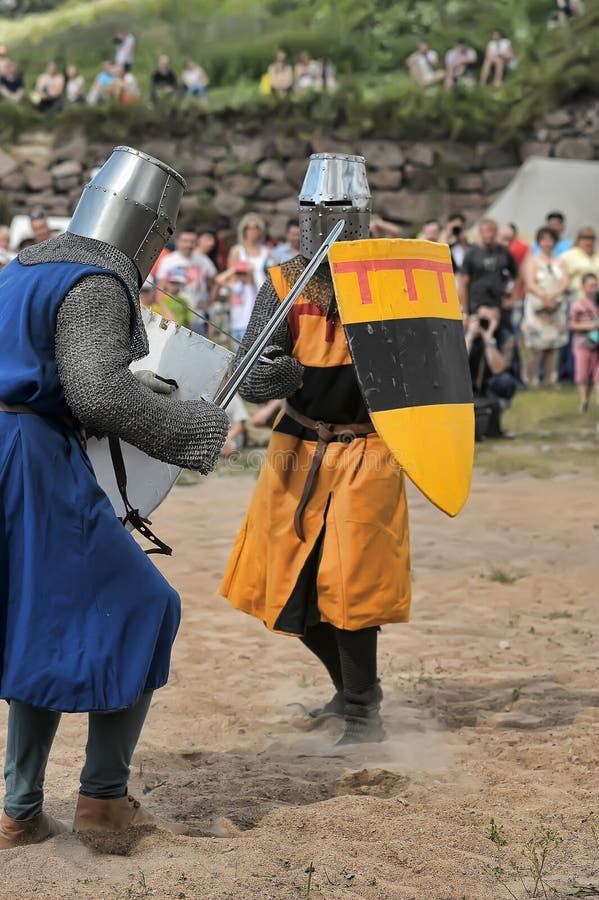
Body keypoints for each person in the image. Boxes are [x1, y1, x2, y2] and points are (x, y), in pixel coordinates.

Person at [0, 146, 229, 851]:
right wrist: (192, 426)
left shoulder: (23, 266)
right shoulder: (98, 278)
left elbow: (63, 377)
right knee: (144, 605)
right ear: (152, 231)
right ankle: (101, 801)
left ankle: (18, 809)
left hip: (12, 446)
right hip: (33, 463)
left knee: (39, 619)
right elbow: (97, 389)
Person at [221, 153, 411, 745]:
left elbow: (421, 374)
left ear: (362, 217)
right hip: (297, 448)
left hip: (369, 450)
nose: (326, 224)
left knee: (352, 587)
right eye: (316, 214)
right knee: (285, 582)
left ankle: (363, 715)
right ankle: (354, 690)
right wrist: (279, 371)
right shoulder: (283, 284)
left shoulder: (391, 285)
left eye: (338, 213)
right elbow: (252, 380)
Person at [521, 227, 569, 387]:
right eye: (544, 239)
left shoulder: (560, 261)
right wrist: (544, 296)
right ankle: (530, 378)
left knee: (552, 347)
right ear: (539, 242)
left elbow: (564, 282)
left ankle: (548, 380)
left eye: (550, 239)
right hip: (537, 306)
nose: (547, 243)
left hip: (555, 307)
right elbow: (530, 283)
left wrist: (554, 295)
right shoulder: (533, 261)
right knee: (536, 347)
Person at [465, 305, 517, 439]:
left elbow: (498, 368)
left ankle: (494, 423)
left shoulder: (505, 336)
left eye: (490, 319)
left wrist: (488, 340)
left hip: (489, 385)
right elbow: (457, 363)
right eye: (482, 318)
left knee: (505, 381)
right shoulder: (464, 332)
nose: (485, 322)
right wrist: (470, 336)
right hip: (466, 382)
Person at [156, 229, 216, 334]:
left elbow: (215, 282)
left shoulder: (203, 260)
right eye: (185, 241)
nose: (188, 245)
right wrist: (165, 312)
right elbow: (159, 289)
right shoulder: (168, 261)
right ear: (178, 241)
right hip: (175, 315)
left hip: (198, 318)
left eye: (192, 242)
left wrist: (209, 303)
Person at [459, 219, 518, 316]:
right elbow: (463, 282)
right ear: (480, 233)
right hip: (476, 304)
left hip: (498, 304)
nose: (489, 235)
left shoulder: (503, 251)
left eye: (492, 232)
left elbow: (517, 274)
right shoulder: (472, 252)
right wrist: (465, 311)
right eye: (486, 232)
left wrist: (513, 297)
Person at [569, 273, 599, 412]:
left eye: (595, 285)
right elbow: (572, 324)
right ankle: (583, 401)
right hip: (582, 344)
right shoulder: (577, 305)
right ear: (583, 287)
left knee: (597, 374)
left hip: (597, 345)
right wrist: (589, 327)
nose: (594, 288)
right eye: (591, 285)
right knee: (582, 374)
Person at [227, 211, 269, 293]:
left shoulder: (266, 251)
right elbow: (232, 277)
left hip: (263, 294)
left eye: (256, 228)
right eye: (248, 228)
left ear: (260, 230)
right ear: (244, 231)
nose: (252, 231)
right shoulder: (236, 251)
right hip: (244, 295)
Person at [559, 227, 599, 296]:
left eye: (591, 239)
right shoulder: (568, 255)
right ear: (578, 240)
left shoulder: (597, 255)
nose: (588, 242)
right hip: (577, 296)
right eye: (585, 239)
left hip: (596, 297)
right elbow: (559, 276)